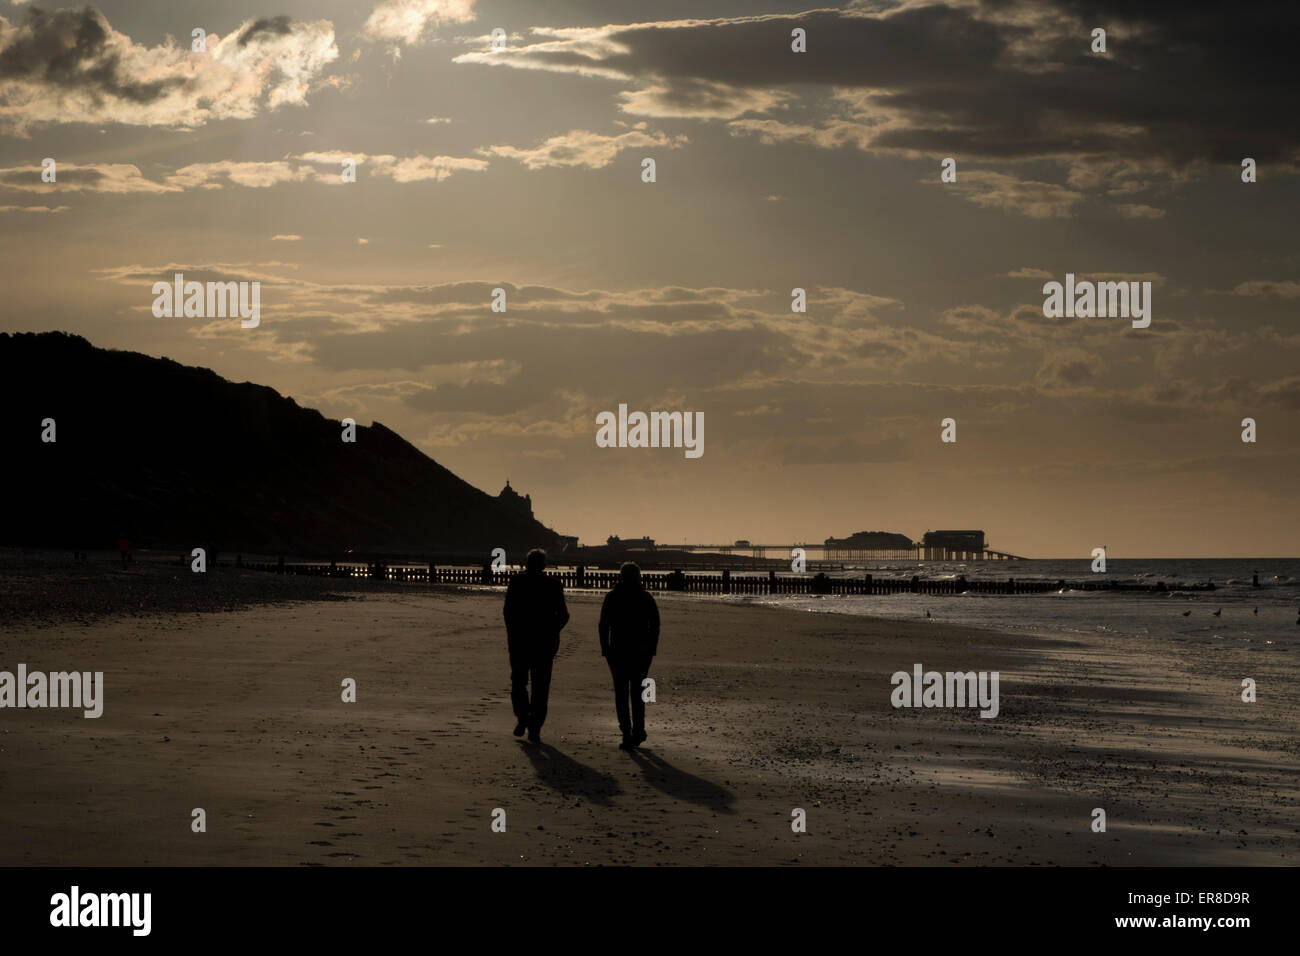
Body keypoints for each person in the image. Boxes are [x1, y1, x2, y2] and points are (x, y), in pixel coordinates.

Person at [502, 549, 569, 744]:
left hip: (520, 642)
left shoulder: (516, 582)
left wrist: (513, 633)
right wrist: (553, 631)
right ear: (544, 565)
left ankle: (523, 718)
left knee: (518, 683)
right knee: (541, 687)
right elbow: (564, 615)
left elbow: (508, 612)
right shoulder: (554, 584)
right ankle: (535, 728)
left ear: (526, 563)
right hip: (545, 644)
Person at [599, 562, 660, 750]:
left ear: (621, 576)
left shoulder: (612, 597)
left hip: (617, 650)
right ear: (638, 577)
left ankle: (627, 732)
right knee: (638, 693)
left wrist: (605, 649)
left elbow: (603, 625)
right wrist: (652, 649)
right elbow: (655, 626)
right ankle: (639, 730)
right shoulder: (645, 597)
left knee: (621, 693)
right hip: (641, 651)